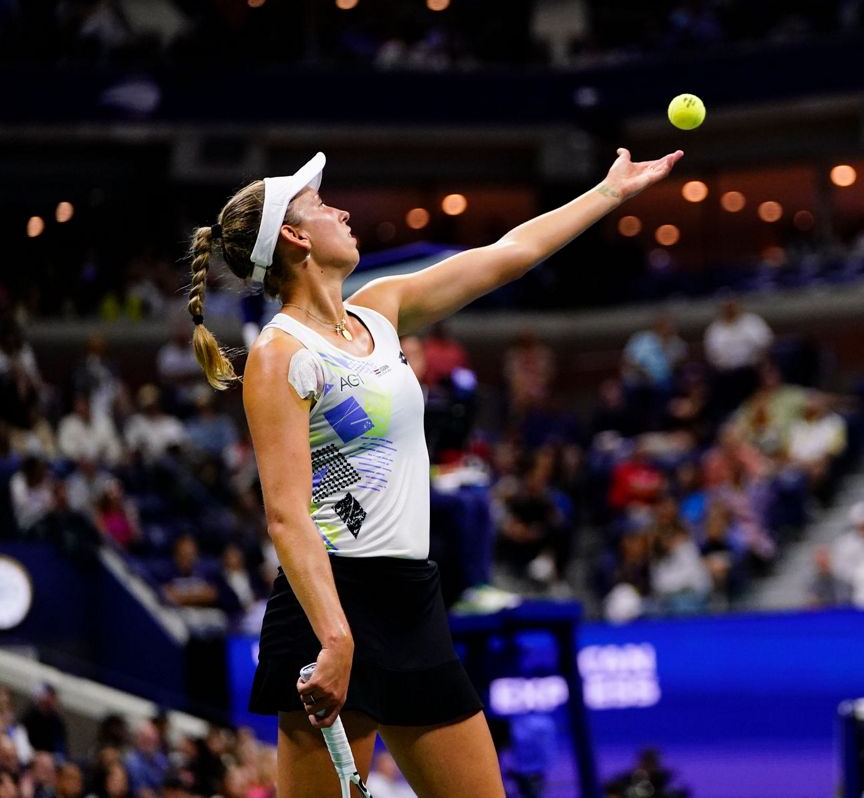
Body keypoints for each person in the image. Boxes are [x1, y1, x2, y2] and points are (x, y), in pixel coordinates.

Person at [186, 147, 680, 795]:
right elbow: (286, 514)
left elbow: (508, 254)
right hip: (329, 607)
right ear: (295, 236)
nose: (341, 209)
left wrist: (609, 194)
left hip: (412, 598)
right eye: (321, 205)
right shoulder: (279, 357)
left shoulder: (380, 311)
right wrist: (336, 639)